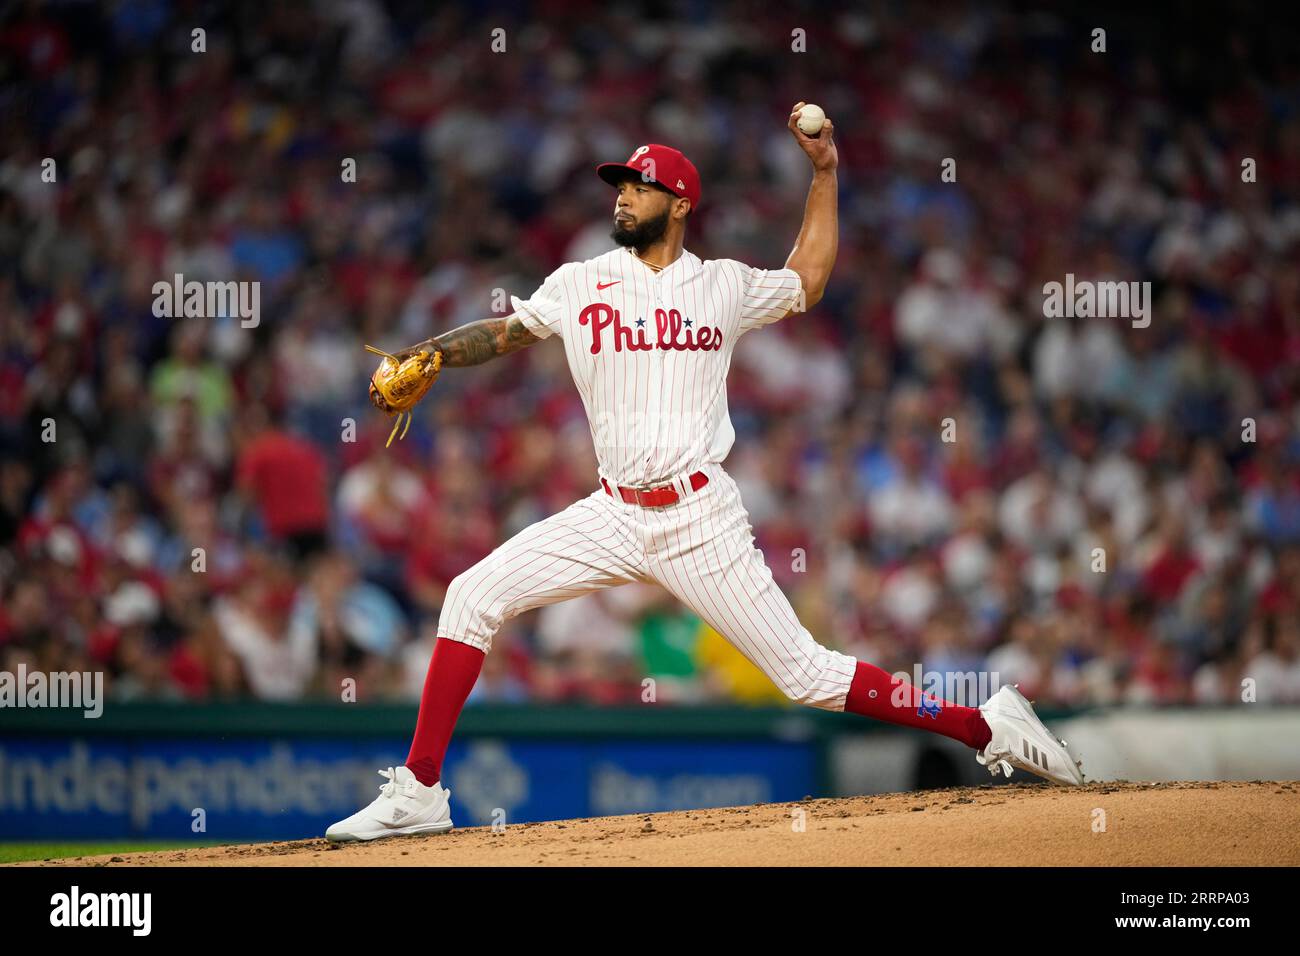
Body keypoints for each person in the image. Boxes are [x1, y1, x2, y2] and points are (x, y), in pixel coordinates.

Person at [327, 104, 1083, 843]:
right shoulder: (581, 280)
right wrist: (430, 352)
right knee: (470, 595)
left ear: (679, 202)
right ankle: (421, 791)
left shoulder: (722, 284)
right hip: (613, 513)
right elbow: (506, 330)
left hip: (699, 519)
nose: (622, 194)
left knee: (807, 677)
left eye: (639, 185)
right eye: (619, 183)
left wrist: (824, 174)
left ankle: (988, 724)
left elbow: (808, 278)